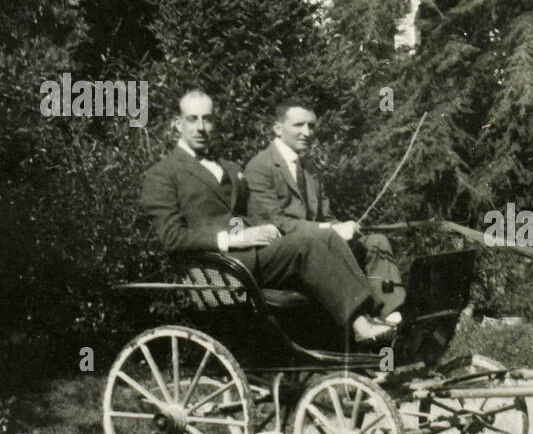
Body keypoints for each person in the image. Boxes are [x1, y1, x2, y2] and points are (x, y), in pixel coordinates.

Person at [139, 89, 396, 343]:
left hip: (255, 256)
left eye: (207, 119)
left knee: (326, 236)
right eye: (192, 119)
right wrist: (233, 238)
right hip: (219, 267)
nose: (201, 127)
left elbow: (251, 213)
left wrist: (265, 228)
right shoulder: (162, 174)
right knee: (310, 242)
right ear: (177, 124)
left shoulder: (230, 168)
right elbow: (172, 238)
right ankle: (361, 326)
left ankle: (374, 316)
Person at [244, 99, 406, 321]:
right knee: (329, 242)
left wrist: (343, 227)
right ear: (277, 128)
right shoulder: (259, 167)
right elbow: (276, 222)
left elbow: (326, 216)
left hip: (319, 244)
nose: (307, 132)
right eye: (298, 125)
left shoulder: (309, 169)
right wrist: (330, 229)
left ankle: (392, 316)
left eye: (311, 126)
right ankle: (363, 320)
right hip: (284, 255)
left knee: (376, 242)